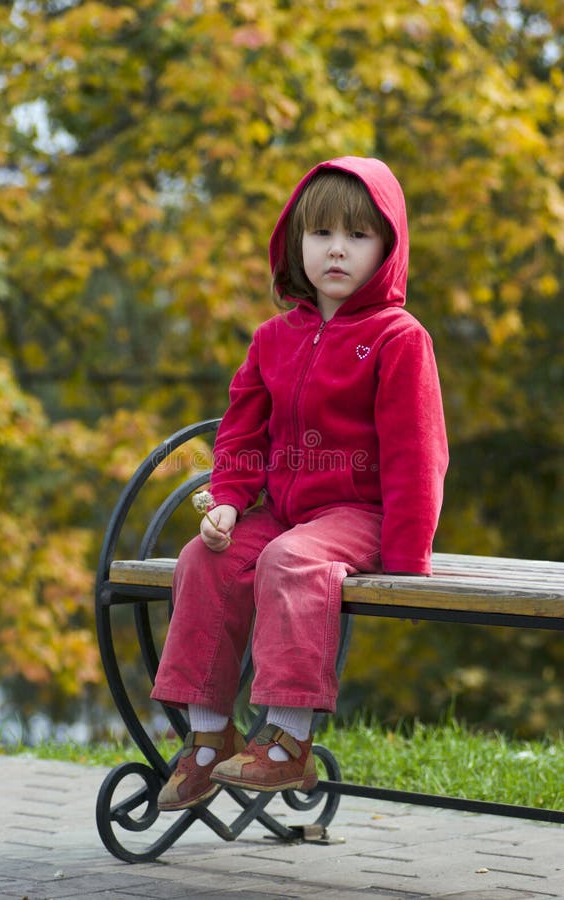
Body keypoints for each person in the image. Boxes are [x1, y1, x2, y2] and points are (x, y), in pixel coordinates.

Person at [151, 156, 449, 811]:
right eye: (321, 234)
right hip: (283, 513)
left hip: (359, 515)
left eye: (357, 235)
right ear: (296, 242)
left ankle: (288, 741)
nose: (337, 249)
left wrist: (407, 562)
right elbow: (240, 436)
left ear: (388, 248)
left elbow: (417, 455)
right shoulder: (272, 340)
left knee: (290, 560)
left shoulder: (398, 338)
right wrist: (228, 504)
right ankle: (209, 739)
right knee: (203, 559)